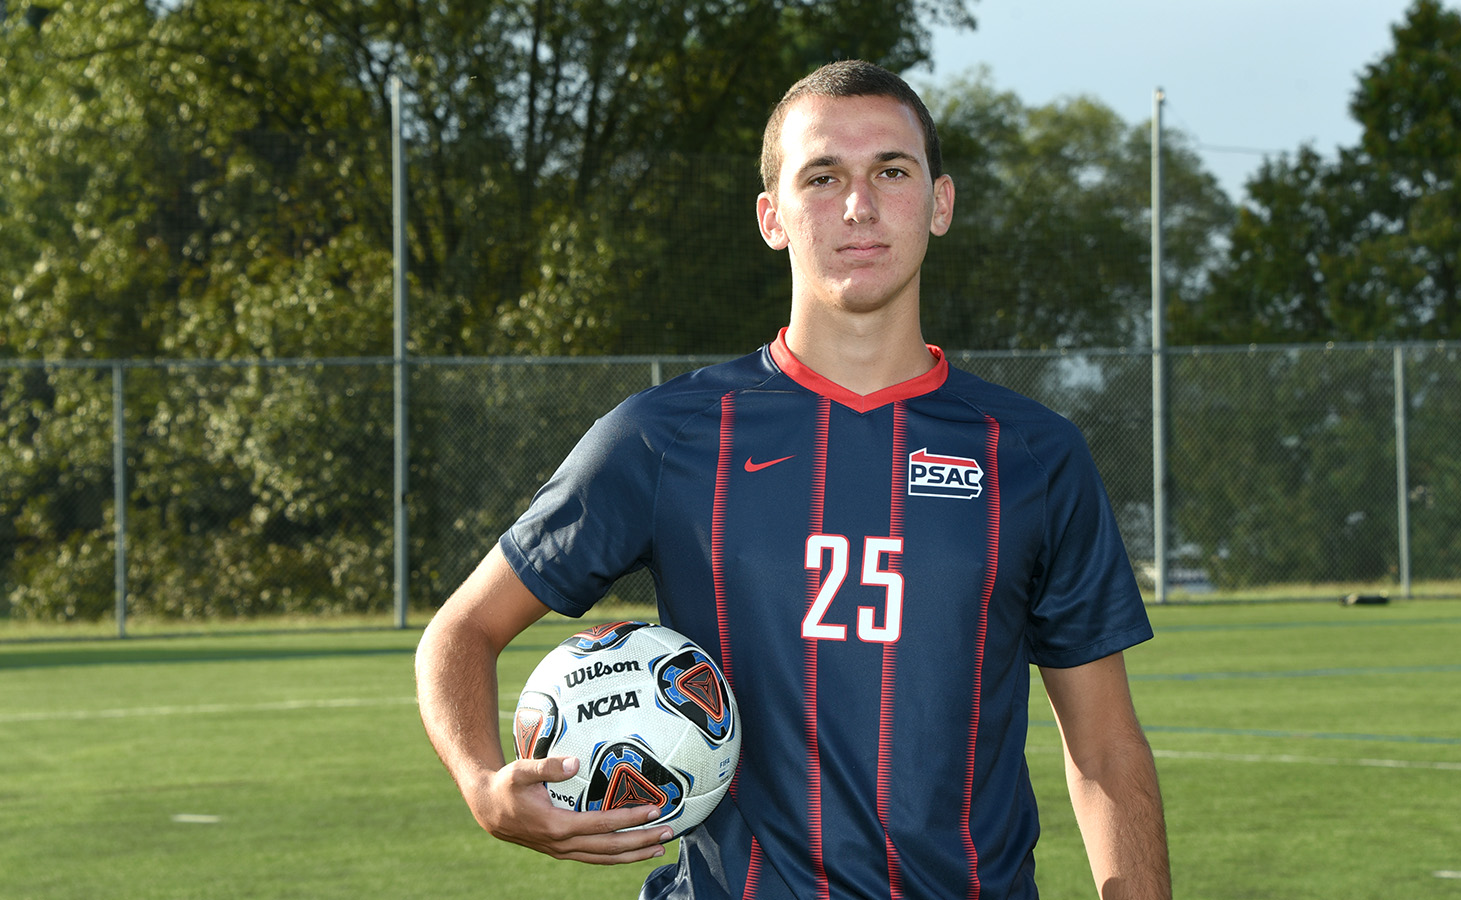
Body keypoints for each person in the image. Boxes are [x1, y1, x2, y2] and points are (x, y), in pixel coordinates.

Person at [415, 60, 1171, 900]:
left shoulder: (1032, 455)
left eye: (891, 170)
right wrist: (485, 787)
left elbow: (1104, 745)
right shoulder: (665, 438)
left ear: (941, 202)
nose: (859, 205)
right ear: (772, 217)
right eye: (823, 177)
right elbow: (460, 633)